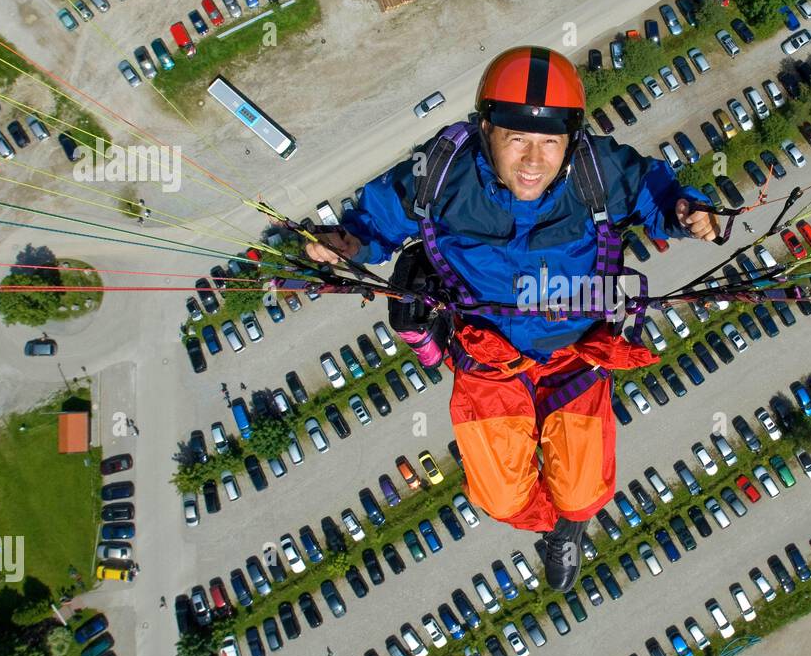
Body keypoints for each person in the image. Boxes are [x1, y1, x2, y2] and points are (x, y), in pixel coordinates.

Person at [304, 46, 718, 590]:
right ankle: (551, 526)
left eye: (549, 142)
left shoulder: (596, 170)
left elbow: (654, 190)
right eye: (516, 138)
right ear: (486, 131)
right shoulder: (445, 174)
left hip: (574, 354)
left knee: (585, 489)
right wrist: (349, 241)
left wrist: (685, 209)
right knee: (500, 497)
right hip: (488, 357)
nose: (533, 159)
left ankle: (570, 524)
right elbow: (382, 213)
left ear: (570, 141)